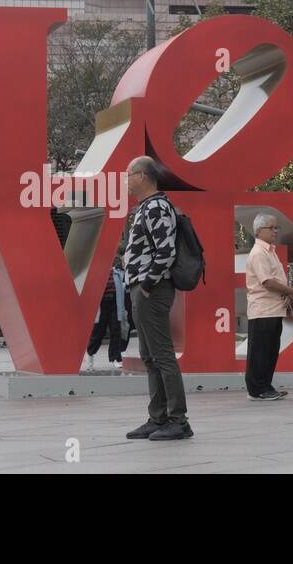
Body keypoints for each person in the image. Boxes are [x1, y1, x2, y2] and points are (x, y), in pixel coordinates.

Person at [122, 156, 193, 441]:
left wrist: (148, 283)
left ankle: (179, 420)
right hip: (142, 288)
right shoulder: (145, 208)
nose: (126, 181)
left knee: (162, 355)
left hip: (151, 289)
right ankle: (158, 417)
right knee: (149, 356)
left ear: (142, 176)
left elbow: (165, 251)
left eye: (128, 175)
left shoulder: (157, 207)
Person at [245, 215, 293, 401]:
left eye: (277, 228)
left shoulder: (270, 251)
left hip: (274, 308)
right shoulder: (259, 252)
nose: (276, 231)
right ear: (259, 231)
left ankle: (266, 385)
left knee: (269, 350)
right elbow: (267, 281)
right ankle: (256, 389)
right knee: (260, 351)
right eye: (271, 228)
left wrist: (285, 293)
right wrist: (290, 290)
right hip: (263, 309)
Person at [86, 257, 127, 369]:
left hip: (115, 304)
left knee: (115, 331)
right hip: (101, 305)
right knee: (98, 333)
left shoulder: (117, 271)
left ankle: (115, 358)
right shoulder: (96, 272)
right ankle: (90, 354)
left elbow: (123, 285)